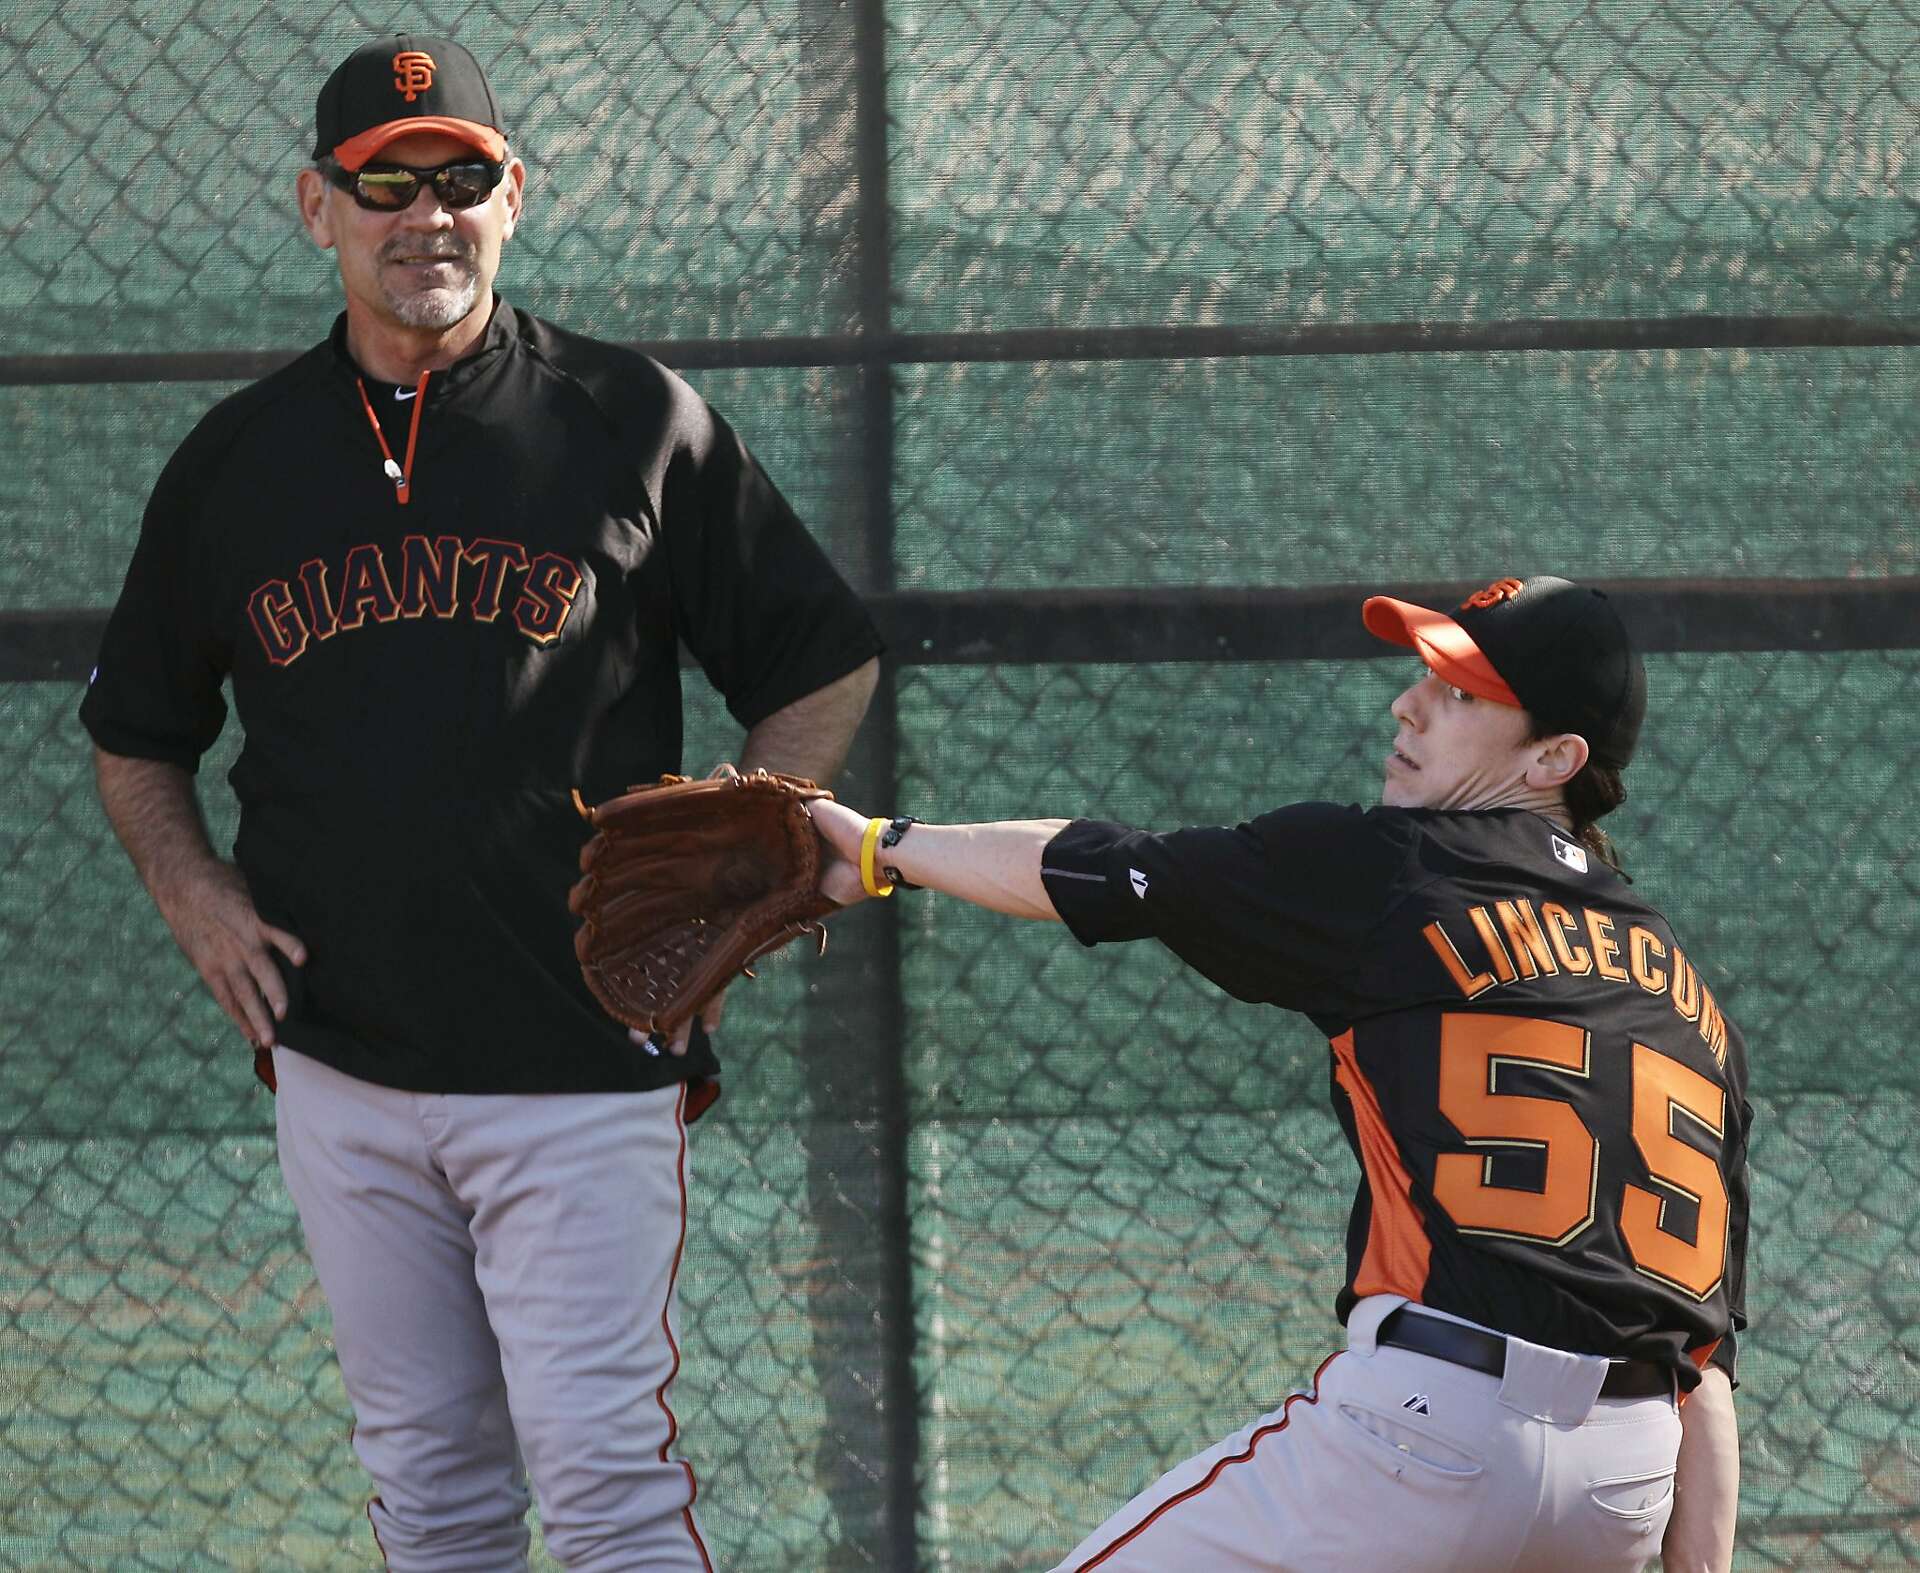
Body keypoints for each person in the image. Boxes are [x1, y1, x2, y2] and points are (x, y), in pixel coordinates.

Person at [80, 33, 882, 1572]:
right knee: (431, 1488)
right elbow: (138, 737)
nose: (425, 215)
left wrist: (751, 847)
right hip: (342, 1063)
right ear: (319, 209)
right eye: (386, 183)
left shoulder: (630, 420)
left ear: (516, 195)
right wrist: (194, 896)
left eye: (460, 177)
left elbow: (825, 656)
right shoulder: (236, 464)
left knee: (605, 1488)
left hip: (583, 1050)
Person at [810, 576, 1746, 1573]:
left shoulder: (1398, 869)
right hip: (1625, 1485)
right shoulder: (1692, 1004)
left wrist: (878, 849)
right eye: (1428, 676)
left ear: (1555, 758)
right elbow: (1706, 1374)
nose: (1411, 704)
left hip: (1429, 1445)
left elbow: (1099, 868)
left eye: (1464, 694)